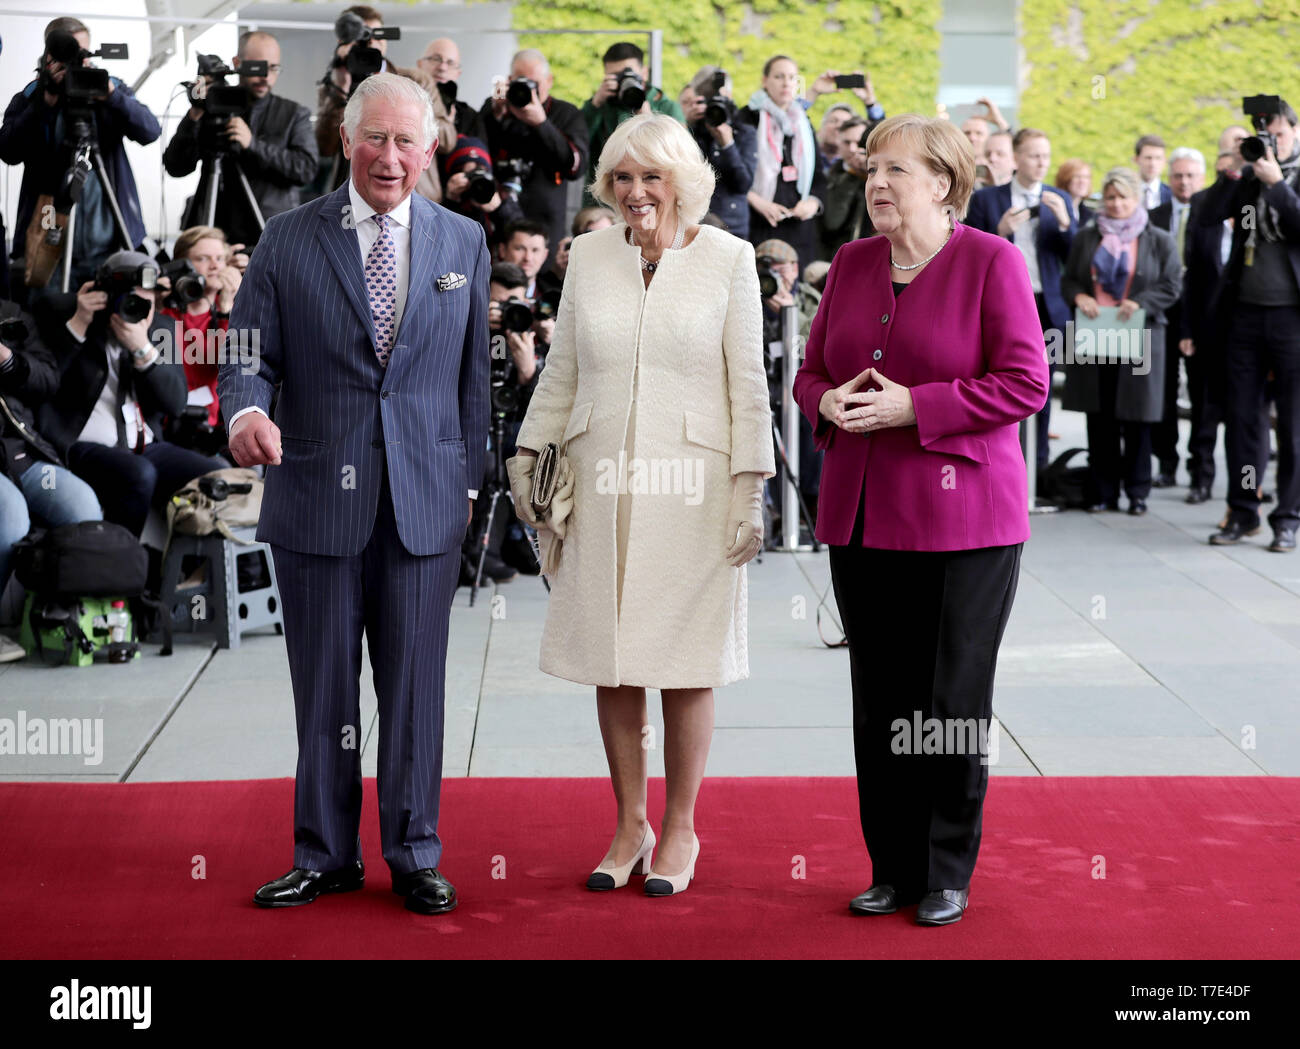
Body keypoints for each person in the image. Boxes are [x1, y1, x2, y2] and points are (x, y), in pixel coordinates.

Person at [219, 73, 490, 914]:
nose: (390, 156)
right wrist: (247, 410)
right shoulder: (286, 239)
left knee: (415, 688)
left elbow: (473, 379)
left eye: (408, 140)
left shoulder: (463, 243)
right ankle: (325, 852)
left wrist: (472, 481)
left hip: (424, 505)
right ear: (343, 139)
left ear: (430, 148)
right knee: (325, 689)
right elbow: (246, 352)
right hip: (314, 500)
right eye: (375, 137)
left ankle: (414, 853)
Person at [507, 114, 774, 897]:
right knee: (613, 658)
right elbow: (561, 372)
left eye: (651, 177)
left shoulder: (729, 259)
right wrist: (529, 455)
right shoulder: (587, 255)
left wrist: (749, 491)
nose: (635, 192)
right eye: (622, 178)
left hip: (695, 486)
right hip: (598, 481)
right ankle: (630, 822)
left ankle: (683, 824)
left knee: (686, 664)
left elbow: (748, 384)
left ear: (683, 181)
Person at [792, 114, 1048, 926]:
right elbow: (810, 373)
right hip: (864, 517)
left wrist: (917, 405)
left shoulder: (992, 261)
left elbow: (1025, 382)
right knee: (882, 695)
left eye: (895, 169)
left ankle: (945, 868)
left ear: (942, 183)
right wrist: (824, 399)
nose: (877, 183)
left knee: (950, 697)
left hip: (965, 522)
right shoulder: (851, 261)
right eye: (872, 168)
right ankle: (891, 866)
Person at [36, 253, 227, 537]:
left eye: (148, 298)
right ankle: (121, 563)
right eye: (132, 297)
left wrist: (143, 351)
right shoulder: (69, 313)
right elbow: (42, 383)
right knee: (139, 474)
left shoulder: (161, 327)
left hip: (150, 442)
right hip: (82, 444)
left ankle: (182, 569)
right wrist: (78, 324)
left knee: (219, 475)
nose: (140, 307)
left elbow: (177, 401)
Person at [1199, 100, 1300, 552]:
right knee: (1243, 419)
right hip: (1244, 315)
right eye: (1263, 131)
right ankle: (1243, 511)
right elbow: (1207, 214)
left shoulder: (1284, 178)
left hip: (1292, 318)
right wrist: (1235, 169)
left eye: (1276, 130)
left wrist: (1277, 186)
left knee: (1294, 424)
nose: (1269, 138)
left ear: (1294, 132)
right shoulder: (1248, 175)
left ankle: (1288, 518)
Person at [0, 17, 161, 286]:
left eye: (82, 53)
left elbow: (150, 131)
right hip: (48, 247)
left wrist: (111, 96)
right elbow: (8, 151)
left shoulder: (110, 88)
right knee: (50, 318)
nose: (76, 61)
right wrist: (45, 102)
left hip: (112, 245)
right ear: (48, 55)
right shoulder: (33, 95)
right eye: (67, 52)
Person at [1060, 167, 1181, 515]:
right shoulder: (1087, 237)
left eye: (1123, 197)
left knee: (1138, 418)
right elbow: (1068, 280)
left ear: (1136, 199)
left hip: (1139, 334)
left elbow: (1172, 285)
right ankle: (1102, 491)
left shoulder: (1157, 238)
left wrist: (1142, 301)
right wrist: (1079, 297)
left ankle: (1138, 492)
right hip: (1097, 333)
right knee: (1100, 417)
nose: (1116, 204)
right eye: (1110, 197)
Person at [966, 128, 1076, 471]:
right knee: (1001, 384)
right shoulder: (987, 199)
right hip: (1002, 305)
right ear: (1015, 158)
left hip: (1047, 305)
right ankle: (1001, 465)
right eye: (1033, 155)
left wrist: (1064, 223)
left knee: (1041, 387)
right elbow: (968, 251)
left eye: (1046, 155)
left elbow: (1074, 259)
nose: (1042, 163)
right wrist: (997, 233)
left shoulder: (1059, 197)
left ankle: (1038, 467)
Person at [0, 299, 103, 662]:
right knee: (9, 516)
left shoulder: (10, 313)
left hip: (19, 454)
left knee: (82, 506)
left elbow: (47, 380)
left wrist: (6, 359)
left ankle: (52, 615)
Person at [163, 31, 317, 249]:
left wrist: (253, 144)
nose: (265, 76)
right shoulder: (212, 105)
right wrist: (196, 112)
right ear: (237, 63)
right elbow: (175, 166)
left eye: (273, 68)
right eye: (258, 68)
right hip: (212, 233)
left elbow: (306, 169)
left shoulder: (293, 114)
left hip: (268, 232)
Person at [315, 4, 456, 199]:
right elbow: (325, 147)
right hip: (354, 201)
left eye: (377, 35)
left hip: (418, 196)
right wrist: (340, 90)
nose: (371, 42)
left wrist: (413, 118)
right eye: (362, 36)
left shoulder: (417, 80)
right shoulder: (335, 86)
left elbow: (448, 140)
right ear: (343, 41)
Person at [1180, 127, 1249, 505]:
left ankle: (1247, 483)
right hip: (1206, 327)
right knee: (1204, 409)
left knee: (1245, 411)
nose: (1230, 179)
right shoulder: (1204, 206)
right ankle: (1200, 478)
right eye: (1224, 173)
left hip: (1245, 330)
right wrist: (1188, 328)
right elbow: (1194, 275)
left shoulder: (1254, 206)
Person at [480, 49, 590, 255]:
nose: (527, 90)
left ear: (549, 80)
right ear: (509, 80)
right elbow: (480, 149)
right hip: (497, 222)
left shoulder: (566, 113)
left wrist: (541, 123)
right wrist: (495, 114)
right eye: (520, 82)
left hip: (545, 225)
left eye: (534, 84)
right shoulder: (495, 108)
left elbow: (576, 167)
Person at [1148, 147, 1206, 488]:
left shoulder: (1213, 214)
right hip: (1162, 312)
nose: (1185, 182)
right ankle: (1166, 463)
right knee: (1163, 389)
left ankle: (1200, 467)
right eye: (1179, 176)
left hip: (1199, 313)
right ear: (1170, 180)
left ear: (1202, 178)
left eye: (1191, 176)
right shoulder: (1155, 214)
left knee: (1201, 392)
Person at [740, 55, 828, 271]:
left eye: (792, 77)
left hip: (799, 227)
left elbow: (818, 177)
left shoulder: (803, 121)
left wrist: (813, 204)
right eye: (779, 76)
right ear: (765, 80)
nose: (786, 83)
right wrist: (759, 202)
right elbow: (732, 173)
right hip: (760, 221)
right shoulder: (747, 117)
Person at [157, 226, 244, 431]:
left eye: (220, 259)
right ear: (182, 265)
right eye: (203, 259)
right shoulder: (165, 313)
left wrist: (226, 310)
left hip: (216, 428)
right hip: (168, 425)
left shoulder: (234, 311)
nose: (214, 266)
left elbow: (242, 370)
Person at [581, 42, 684, 206]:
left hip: (652, 200)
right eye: (616, 75)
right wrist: (595, 104)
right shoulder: (599, 106)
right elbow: (578, 144)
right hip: (603, 202)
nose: (624, 80)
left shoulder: (666, 106)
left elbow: (683, 156)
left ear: (644, 73)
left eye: (629, 74)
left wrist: (650, 120)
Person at [683, 66, 757, 238]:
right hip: (694, 222)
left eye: (719, 99)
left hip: (733, 226)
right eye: (707, 100)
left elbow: (743, 184)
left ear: (729, 97)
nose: (714, 105)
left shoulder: (744, 130)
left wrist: (727, 145)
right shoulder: (693, 130)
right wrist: (687, 128)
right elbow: (682, 174)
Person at [439, 136, 523, 248]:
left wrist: (499, 209)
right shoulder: (439, 199)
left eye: (481, 170)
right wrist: (451, 201)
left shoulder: (501, 195)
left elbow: (521, 236)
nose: (477, 178)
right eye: (469, 174)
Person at [820, 116, 874, 258]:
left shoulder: (881, 177)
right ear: (838, 142)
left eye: (858, 143)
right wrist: (852, 175)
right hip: (839, 256)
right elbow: (832, 222)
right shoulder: (828, 176)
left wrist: (870, 172)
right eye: (846, 142)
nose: (852, 149)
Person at [417, 36, 485, 140]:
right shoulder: (399, 103)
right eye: (436, 59)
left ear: (458, 73)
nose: (442, 68)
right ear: (420, 64)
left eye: (450, 63)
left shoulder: (470, 117)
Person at [1135, 133, 1171, 209]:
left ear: (1165, 161)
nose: (1152, 164)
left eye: (1158, 158)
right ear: (1136, 159)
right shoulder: (1124, 192)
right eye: (1148, 158)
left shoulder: (1172, 195)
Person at [1055, 158, 1094, 225]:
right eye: (1077, 176)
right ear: (1065, 179)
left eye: (1086, 177)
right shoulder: (1054, 208)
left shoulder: (1088, 215)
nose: (1082, 181)